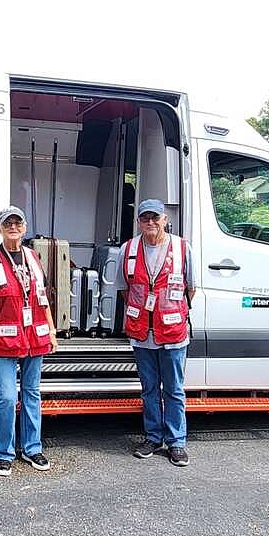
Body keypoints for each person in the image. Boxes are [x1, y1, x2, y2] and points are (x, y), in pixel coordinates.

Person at [0, 206, 58, 477]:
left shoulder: (33, 257)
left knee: (32, 394)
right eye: (7, 223)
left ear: (25, 227)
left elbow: (42, 298)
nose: (13, 227)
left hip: (34, 339)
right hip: (4, 342)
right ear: (0, 228)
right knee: (7, 398)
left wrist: (52, 330)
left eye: (17, 223)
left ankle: (32, 448)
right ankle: (4, 453)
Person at [115, 199, 195, 466]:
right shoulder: (128, 249)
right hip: (142, 334)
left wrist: (166, 312)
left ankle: (176, 443)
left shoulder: (182, 248)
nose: (150, 222)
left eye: (155, 217)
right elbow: (125, 289)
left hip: (172, 332)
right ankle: (153, 438)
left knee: (174, 390)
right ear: (138, 221)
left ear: (165, 220)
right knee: (149, 389)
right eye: (145, 218)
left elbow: (191, 288)